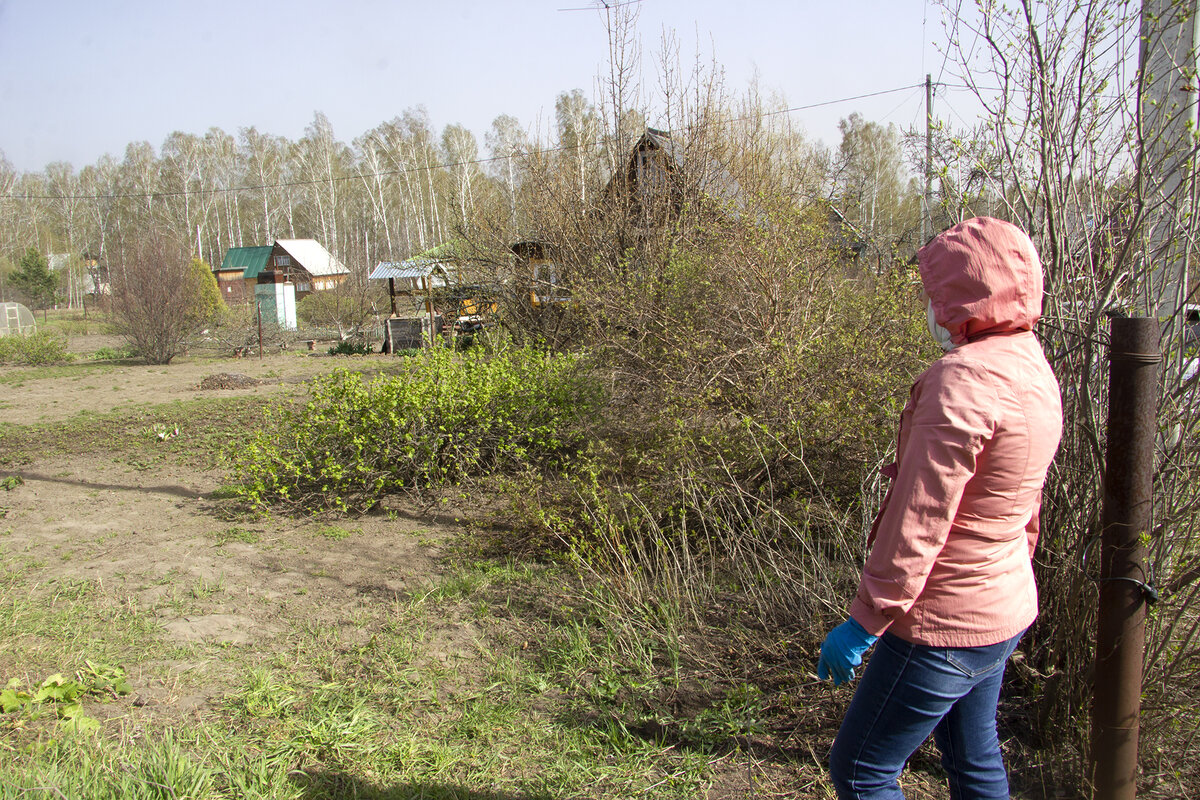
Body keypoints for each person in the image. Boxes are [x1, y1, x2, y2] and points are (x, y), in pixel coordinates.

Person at [818, 217, 1063, 800]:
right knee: (974, 759)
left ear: (963, 296)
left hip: (944, 621)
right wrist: (1010, 571)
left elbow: (919, 519)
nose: (930, 308)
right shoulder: (1031, 364)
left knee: (861, 771)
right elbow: (1025, 503)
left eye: (936, 294)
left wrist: (866, 620)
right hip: (1003, 608)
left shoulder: (962, 382)